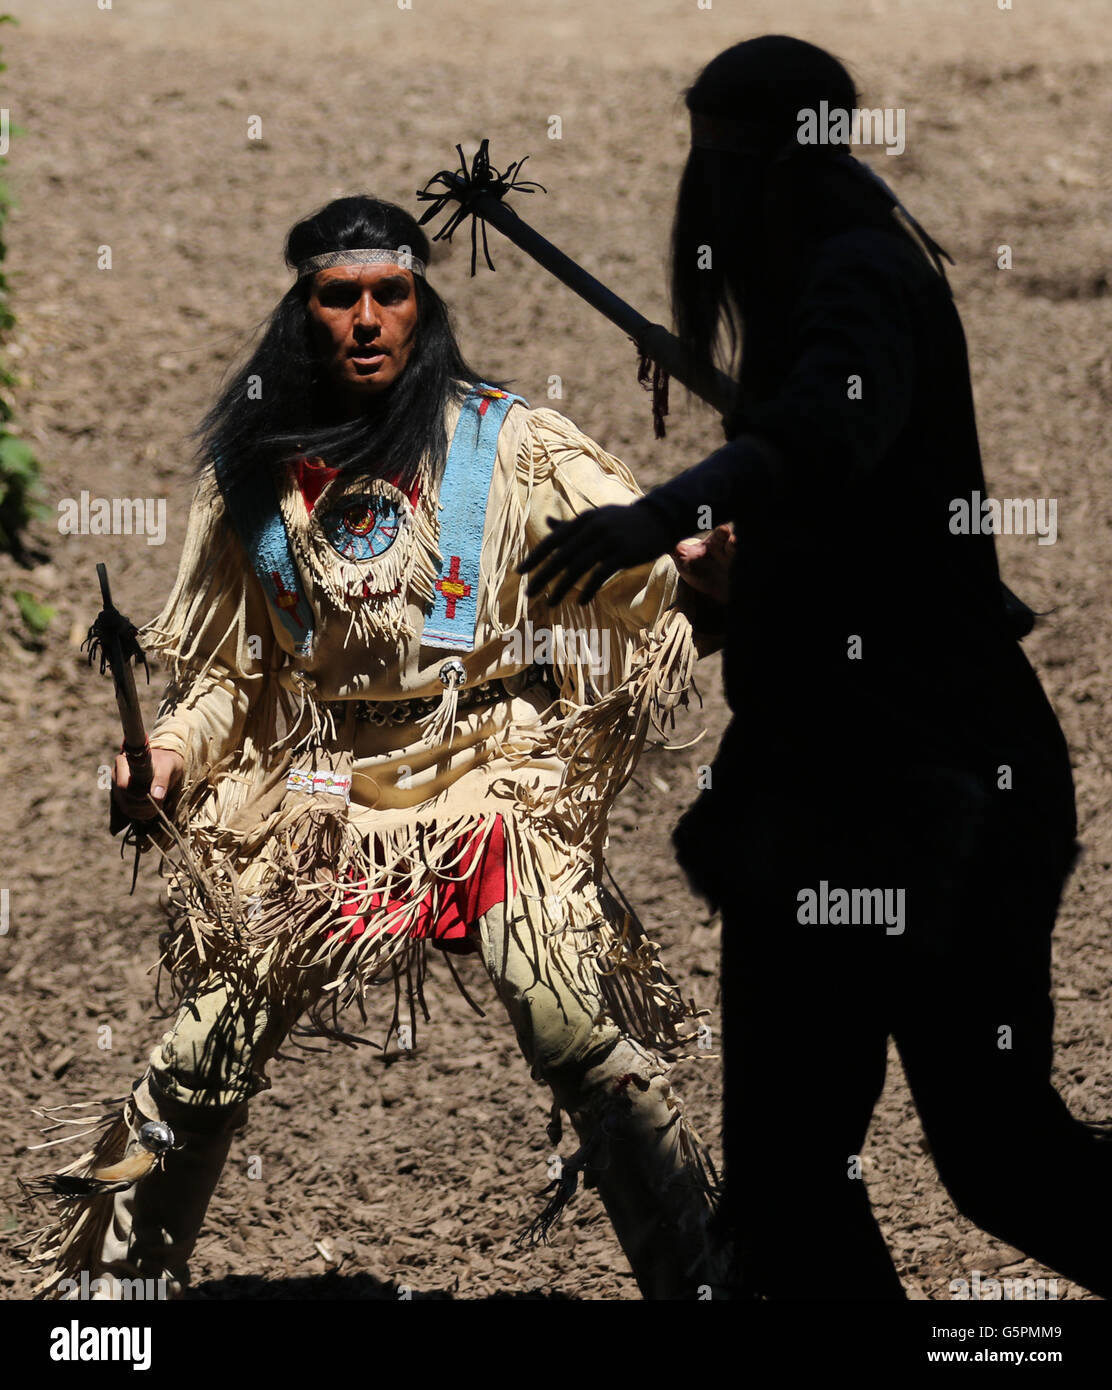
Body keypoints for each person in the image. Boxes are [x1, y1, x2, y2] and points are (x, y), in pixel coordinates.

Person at [25, 195, 721, 1301]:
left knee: (575, 1029)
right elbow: (230, 682)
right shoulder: (252, 480)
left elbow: (649, 557)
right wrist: (164, 755)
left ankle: (709, 1289)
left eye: (387, 294)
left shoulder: (510, 443)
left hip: (492, 781)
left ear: (420, 302)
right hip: (327, 797)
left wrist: (705, 560)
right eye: (337, 297)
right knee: (202, 1056)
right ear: (303, 311)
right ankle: (107, 1309)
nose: (364, 319)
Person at [520, 35, 1112, 1300]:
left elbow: (821, 431)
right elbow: (837, 516)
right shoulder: (840, 267)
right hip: (874, 772)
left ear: (748, 166)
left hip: (907, 785)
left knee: (976, 1157)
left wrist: (653, 515)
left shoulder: (853, 279)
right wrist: (725, 574)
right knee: (831, 1181)